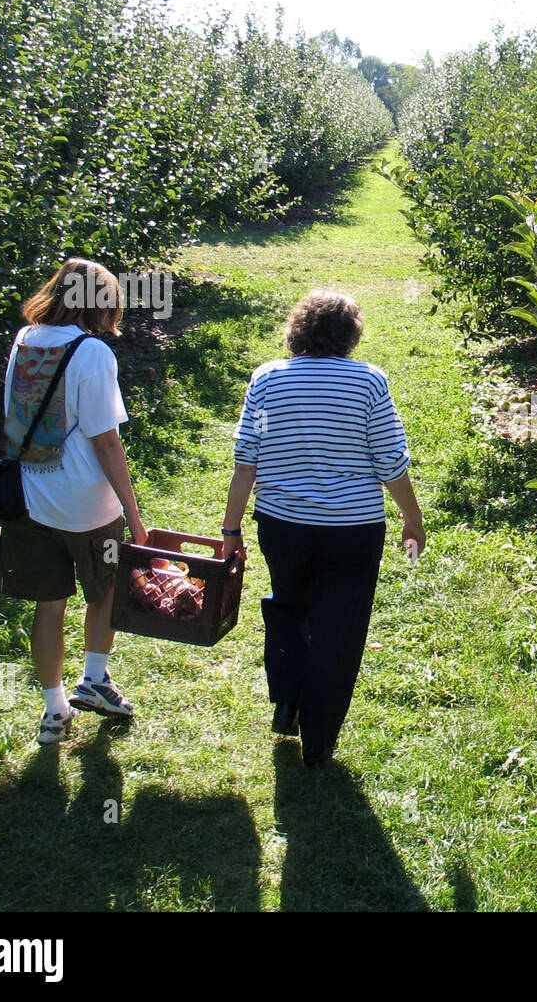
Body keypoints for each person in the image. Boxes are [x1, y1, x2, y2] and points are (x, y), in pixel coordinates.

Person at [220, 290, 424, 767]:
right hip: (352, 529)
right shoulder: (369, 381)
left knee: (289, 606)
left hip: (282, 524)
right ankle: (319, 737)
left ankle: (287, 697)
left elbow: (245, 461)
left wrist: (231, 531)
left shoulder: (267, 380)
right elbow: (390, 459)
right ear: (351, 335)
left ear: (298, 331)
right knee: (340, 627)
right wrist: (411, 517)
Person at [0, 258, 148, 745]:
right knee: (103, 591)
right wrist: (132, 511)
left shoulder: (25, 340)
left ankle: (54, 709)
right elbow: (105, 441)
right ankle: (96, 681)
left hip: (31, 497)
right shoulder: (93, 353)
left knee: (49, 602)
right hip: (86, 502)